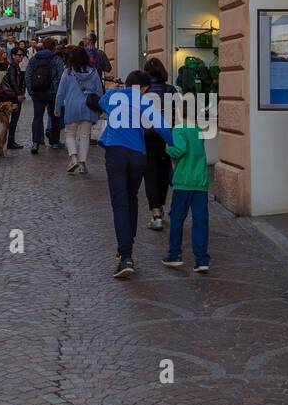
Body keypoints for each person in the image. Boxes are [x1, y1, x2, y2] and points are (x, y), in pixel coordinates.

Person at [90, 72, 172, 279]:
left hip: (115, 153)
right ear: (144, 88)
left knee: (120, 203)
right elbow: (160, 125)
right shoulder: (142, 99)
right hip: (137, 155)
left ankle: (125, 255)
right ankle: (128, 244)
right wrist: (177, 143)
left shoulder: (112, 96)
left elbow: (96, 103)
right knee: (131, 197)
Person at [162, 118, 211, 274]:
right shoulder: (198, 130)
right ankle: (202, 259)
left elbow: (180, 149)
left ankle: (174, 254)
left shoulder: (178, 129)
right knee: (200, 220)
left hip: (184, 180)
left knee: (177, 218)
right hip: (201, 180)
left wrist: (168, 149)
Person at [55, 46, 102, 175]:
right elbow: (99, 91)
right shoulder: (93, 72)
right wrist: (100, 107)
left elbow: (60, 93)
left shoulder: (68, 73)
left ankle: (73, 158)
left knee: (69, 134)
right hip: (88, 108)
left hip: (72, 108)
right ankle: (82, 164)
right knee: (85, 136)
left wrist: (57, 107)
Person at [142, 57, 177, 230]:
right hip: (165, 137)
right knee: (163, 173)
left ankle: (156, 212)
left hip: (146, 138)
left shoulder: (142, 91)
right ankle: (161, 207)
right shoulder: (170, 89)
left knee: (150, 176)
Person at [25, 36, 65, 154]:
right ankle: (55, 142)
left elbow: (27, 76)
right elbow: (60, 76)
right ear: (53, 47)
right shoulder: (57, 59)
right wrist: (59, 92)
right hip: (53, 93)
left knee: (37, 117)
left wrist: (31, 91)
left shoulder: (34, 59)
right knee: (55, 117)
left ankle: (36, 142)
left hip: (38, 92)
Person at [0, 48, 26, 149]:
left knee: (11, 120)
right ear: (13, 55)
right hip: (12, 97)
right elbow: (13, 81)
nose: (21, 57)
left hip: (11, 96)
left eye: (22, 55)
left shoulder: (15, 65)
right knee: (13, 120)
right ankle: (10, 141)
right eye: (19, 55)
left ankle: (9, 141)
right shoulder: (13, 66)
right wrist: (18, 94)